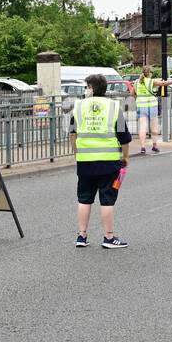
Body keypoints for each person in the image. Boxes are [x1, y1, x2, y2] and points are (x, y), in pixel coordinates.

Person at [70, 73, 132, 249]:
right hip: (109, 161)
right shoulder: (114, 107)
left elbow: (73, 134)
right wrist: (125, 157)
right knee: (107, 200)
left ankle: (81, 236)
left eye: (86, 86)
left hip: (85, 161)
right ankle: (109, 238)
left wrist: (77, 153)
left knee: (84, 199)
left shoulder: (79, 107)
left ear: (91, 88)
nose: (85, 89)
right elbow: (124, 138)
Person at [134, 65, 172, 154]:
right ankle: (154, 145)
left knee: (142, 128)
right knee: (154, 129)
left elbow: (132, 93)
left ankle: (143, 147)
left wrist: (138, 99)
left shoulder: (136, 82)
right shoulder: (151, 81)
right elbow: (164, 83)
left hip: (141, 107)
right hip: (152, 107)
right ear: (150, 73)